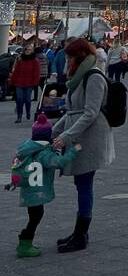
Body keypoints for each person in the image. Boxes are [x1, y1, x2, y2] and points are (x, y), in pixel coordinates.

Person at [51, 36, 116, 253]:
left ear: (78, 57)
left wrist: (66, 135)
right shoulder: (78, 77)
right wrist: (54, 130)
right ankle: (79, 232)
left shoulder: (94, 77)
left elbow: (90, 113)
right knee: (81, 183)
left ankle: (81, 234)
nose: (66, 62)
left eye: (69, 57)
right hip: (78, 134)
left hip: (90, 138)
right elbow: (72, 110)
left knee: (84, 183)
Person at [9, 110, 79, 258]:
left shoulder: (28, 149)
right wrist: (73, 151)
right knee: (36, 217)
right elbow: (58, 162)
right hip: (37, 192)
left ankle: (26, 241)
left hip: (28, 192)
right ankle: (24, 244)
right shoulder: (45, 154)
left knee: (34, 216)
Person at [10, 43, 42, 124]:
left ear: (32, 51)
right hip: (19, 83)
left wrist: (35, 82)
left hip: (29, 83)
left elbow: (37, 72)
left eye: (29, 49)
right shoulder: (20, 60)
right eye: (26, 49)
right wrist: (12, 81)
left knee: (28, 100)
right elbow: (16, 71)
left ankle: (28, 112)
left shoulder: (35, 60)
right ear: (24, 50)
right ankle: (19, 116)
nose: (28, 51)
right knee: (19, 99)